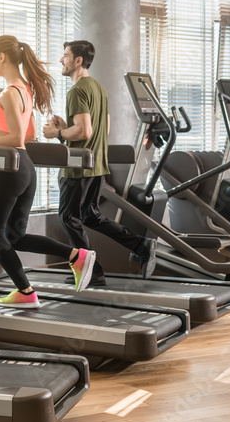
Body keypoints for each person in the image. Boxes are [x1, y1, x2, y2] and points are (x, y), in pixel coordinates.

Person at [0, 35, 96, 306]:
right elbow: (30, 134)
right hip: (26, 169)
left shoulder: (10, 92)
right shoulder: (25, 90)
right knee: (16, 236)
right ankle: (76, 256)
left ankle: (25, 292)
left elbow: (16, 138)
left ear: (2, 57)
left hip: (10, 170)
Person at [43, 40, 156, 284]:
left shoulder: (77, 91)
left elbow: (85, 131)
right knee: (90, 216)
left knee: (68, 217)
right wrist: (67, 128)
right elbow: (101, 128)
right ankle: (141, 246)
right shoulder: (98, 88)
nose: (61, 60)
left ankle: (92, 271)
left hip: (77, 168)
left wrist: (56, 133)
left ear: (78, 61)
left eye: (65, 56)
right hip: (96, 165)